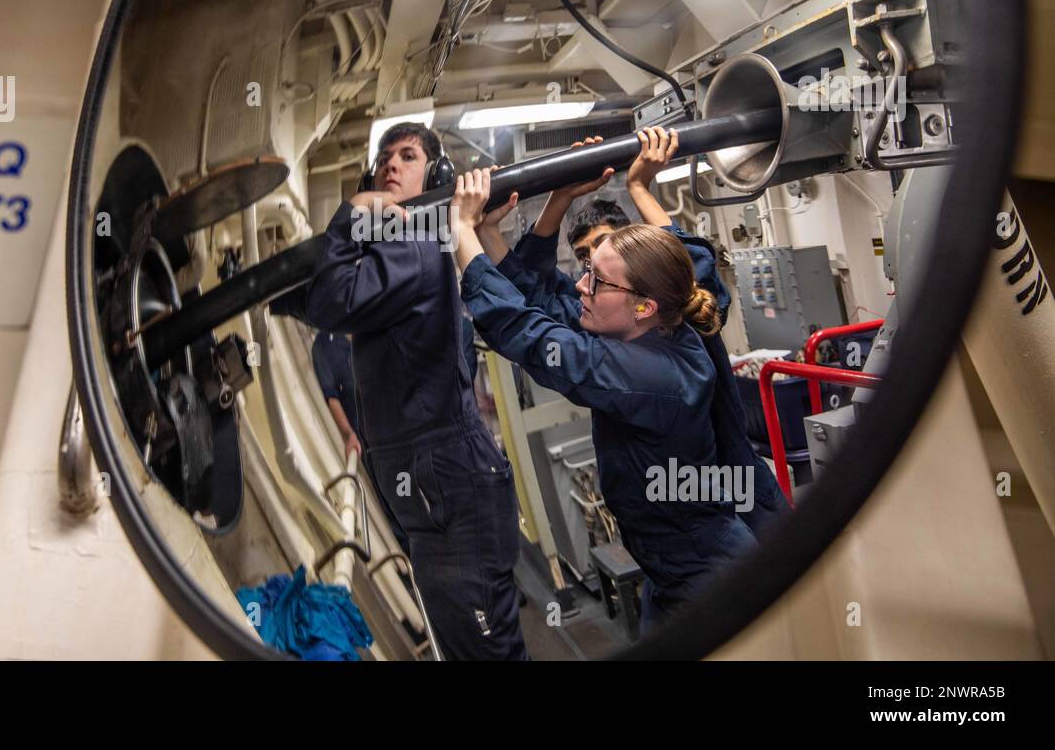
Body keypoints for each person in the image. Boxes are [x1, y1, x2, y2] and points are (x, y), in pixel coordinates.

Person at [448, 167, 758, 634]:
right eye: (586, 269)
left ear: (643, 305)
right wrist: (497, 227)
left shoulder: (652, 373)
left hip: (706, 572)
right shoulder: (644, 327)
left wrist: (459, 233)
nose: (581, 286)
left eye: (597, 280)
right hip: (669, 566)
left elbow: (531, 335)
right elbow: (544, 305)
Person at [301, 123, 527, 661]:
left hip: (443, 474)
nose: (390, 166)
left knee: (482, 648)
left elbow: (331, 303)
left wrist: (353, 211)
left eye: (407, 156)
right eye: (384, 157)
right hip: (434, 478)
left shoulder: (414, 244)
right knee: (468, 640)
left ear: (435, 176)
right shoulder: (403, 246)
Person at [507, 127, 786, 536]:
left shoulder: (678, 302)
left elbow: (693, 266)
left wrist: (639, 186)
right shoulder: (597, 316)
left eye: (606, 247)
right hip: (660, 523)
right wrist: (560, 196)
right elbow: (533, 285)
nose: (595, 262)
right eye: (585, 257)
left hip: (734, 482)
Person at [310, 330, 410, 552]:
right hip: (372, 446)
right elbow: (331, 396)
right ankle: (410, 548)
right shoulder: (325, 345)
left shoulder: (368, 332)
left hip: (396, 435)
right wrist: (348, 434)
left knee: (408, 491)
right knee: (395, 501)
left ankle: (419, 538)